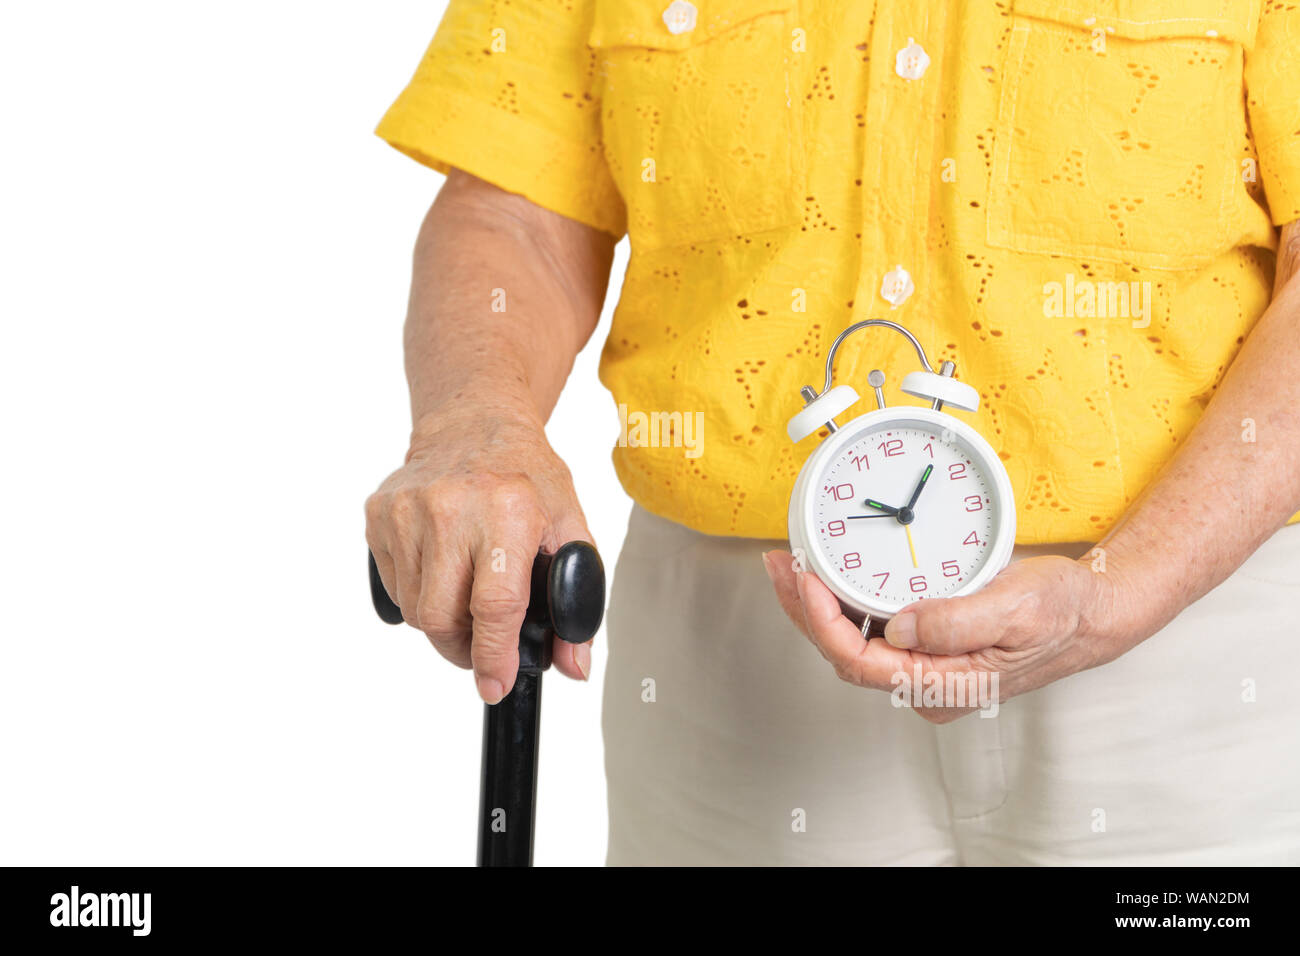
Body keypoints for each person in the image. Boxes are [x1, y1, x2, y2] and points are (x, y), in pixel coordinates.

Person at [365, 0, 1300, 864]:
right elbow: (517, 210)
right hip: (733, 662)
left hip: (1191, 623)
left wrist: (1122, 591)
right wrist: (474, 423)